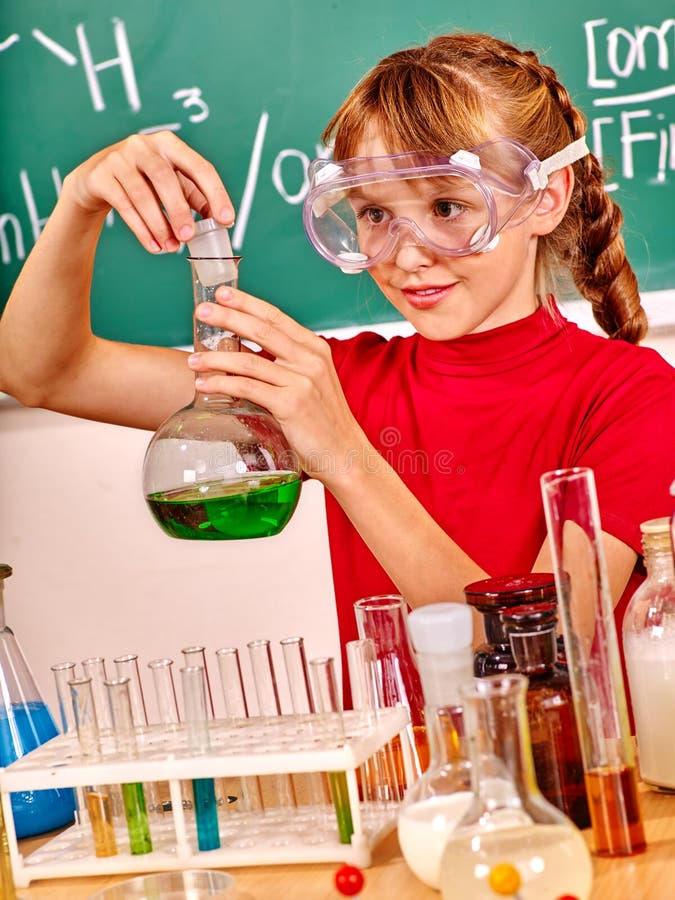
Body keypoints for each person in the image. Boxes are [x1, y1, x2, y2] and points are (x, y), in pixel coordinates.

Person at [1, 32, 673, 679]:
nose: (407, 254)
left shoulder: (634, 394)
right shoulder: (339, 382)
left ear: (543, 199)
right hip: (399, 763)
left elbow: (541, 654)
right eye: (374, 214)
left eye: (446, 207)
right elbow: (41, 371)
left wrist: (343, 453)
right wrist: (81, 198)